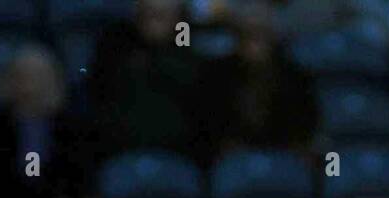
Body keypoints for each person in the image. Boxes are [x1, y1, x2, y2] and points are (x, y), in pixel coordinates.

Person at [0, 45, 102, 198]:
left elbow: (81, 174)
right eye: (22, 77)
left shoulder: (71, 127)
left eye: (37, 77)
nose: (29, 85)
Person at [87, 0, 212, 163]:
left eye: (161, 14)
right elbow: (99, 95)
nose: (155, 18)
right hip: (119, 151)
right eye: (150, 13)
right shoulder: (115, 41)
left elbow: (201, 101)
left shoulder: (190, 41)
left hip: (183, 153)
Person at [212, 2, 318, 156]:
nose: (256, 24)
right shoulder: (215, 74)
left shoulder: (295, 75)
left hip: (284, 156)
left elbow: (305, 129)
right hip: (230, 161)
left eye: (262, 32)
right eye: (250, 33)